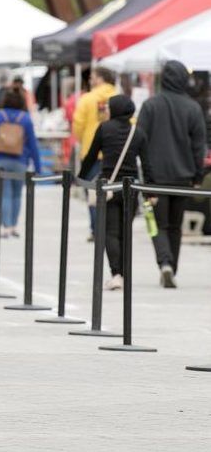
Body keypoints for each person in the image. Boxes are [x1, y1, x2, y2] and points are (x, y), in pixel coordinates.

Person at [137, 60, 206, 288]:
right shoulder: (193, 108)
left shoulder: (150, 106)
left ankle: (165, 263)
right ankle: (172, 267)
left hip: (154, 178)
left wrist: (143, 173)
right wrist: (198, 176)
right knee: (175, 226)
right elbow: (199, 146)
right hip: (183, 176)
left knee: (157, 224)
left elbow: (139, 140)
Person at [78, 95, 152, 291]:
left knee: (110, 232)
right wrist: (150, 193)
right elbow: (147, 165)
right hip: (131, 189)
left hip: (109, 187)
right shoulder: (138, 132)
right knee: (125, 231)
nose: (107, 111)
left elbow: (91, 157)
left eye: (109, 107)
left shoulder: (104, 129)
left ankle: (116, 274)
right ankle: (125, 274)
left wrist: (79, 179)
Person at [0, 89, 42, 237]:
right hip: (20, 161)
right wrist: (38, 167)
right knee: (17, 194)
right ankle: (13, 226)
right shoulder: (25, 119)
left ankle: (6, 226)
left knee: (4, 193)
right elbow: (33, 145)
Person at [73, 67, 117, 241]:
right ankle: (110, 227)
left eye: (92, 77)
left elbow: (78, 125)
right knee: (113, 191)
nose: (90, 81)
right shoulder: (118, 97)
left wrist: (84, 139)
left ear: (100, 78)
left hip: (91, 152)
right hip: (114, 153)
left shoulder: (87, 99)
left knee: (92, 192)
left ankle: (96, 229)